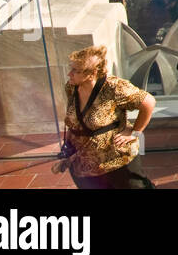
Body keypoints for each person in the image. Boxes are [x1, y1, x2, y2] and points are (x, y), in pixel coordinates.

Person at [59, 45, 156, 189]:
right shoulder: (71, 87)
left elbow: (149, 102)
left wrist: (135, 132)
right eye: (71, 68)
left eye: (76, 71)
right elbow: (76, 120)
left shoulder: (114, 87)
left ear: (92, 73)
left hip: (116, 159)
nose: (69, 74)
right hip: (84, 163)